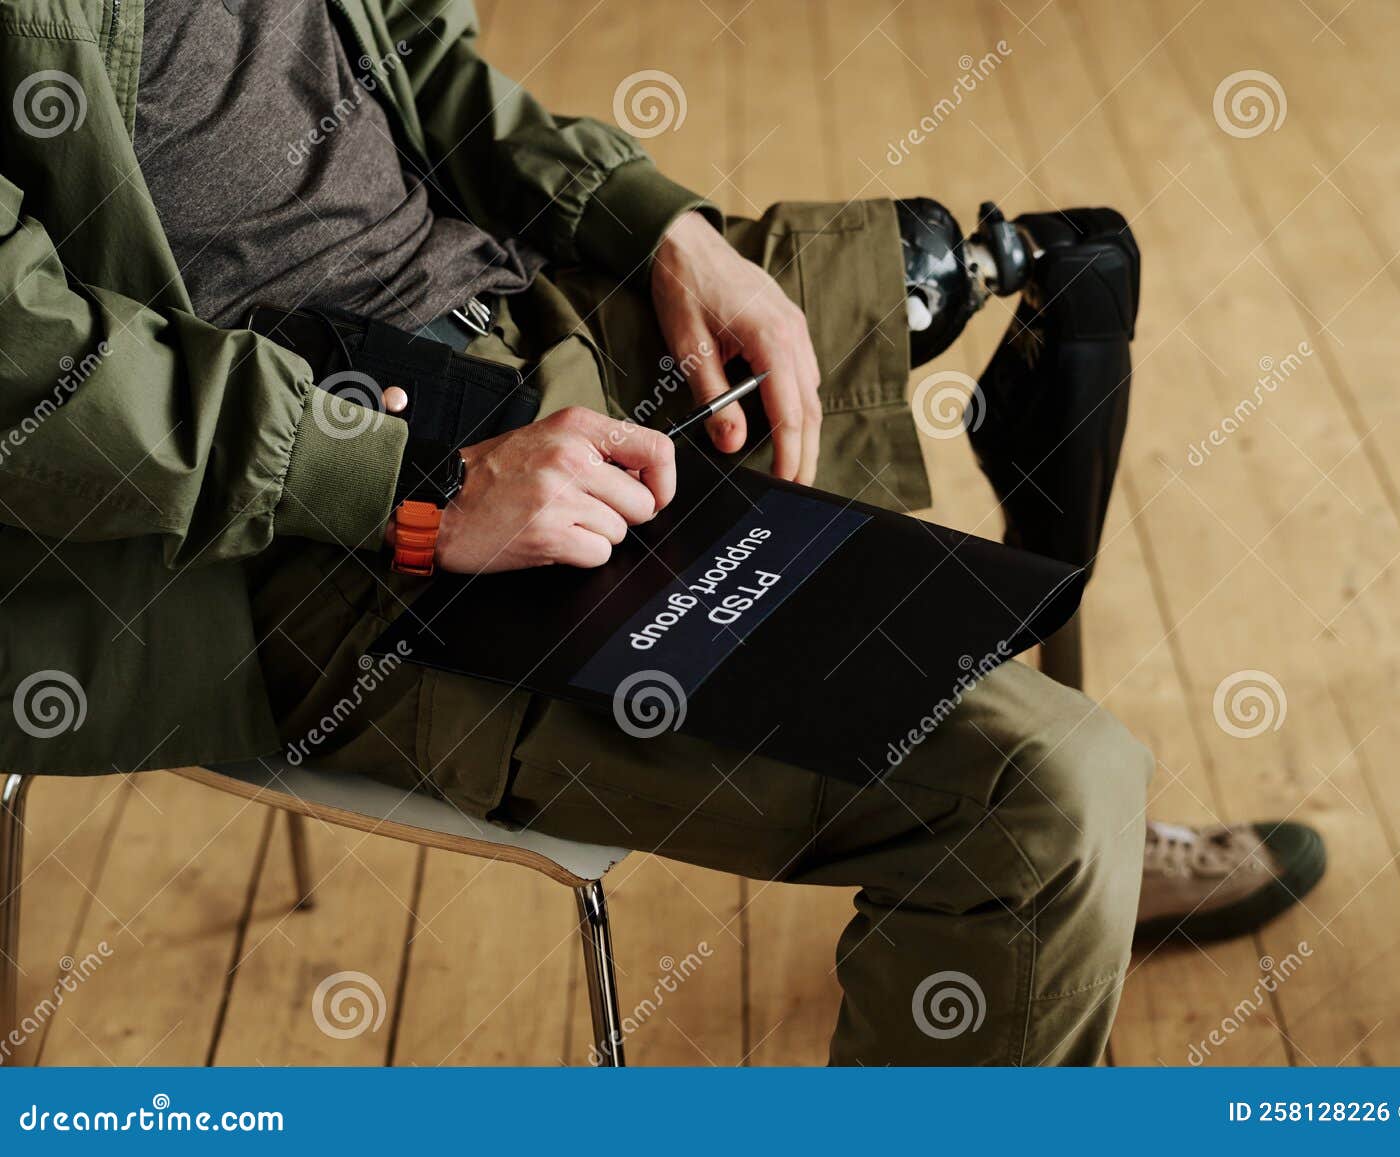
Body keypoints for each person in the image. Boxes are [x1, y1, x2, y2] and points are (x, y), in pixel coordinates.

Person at [0, 0, 1318, 1063]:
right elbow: (33, 376)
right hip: (280, 527)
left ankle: (1053, 920)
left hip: (520, 314)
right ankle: (1044, 878)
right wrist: (413, 480)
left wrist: (657, 224)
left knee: (1080, 266)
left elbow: (412, 48)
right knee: (1048, 798)